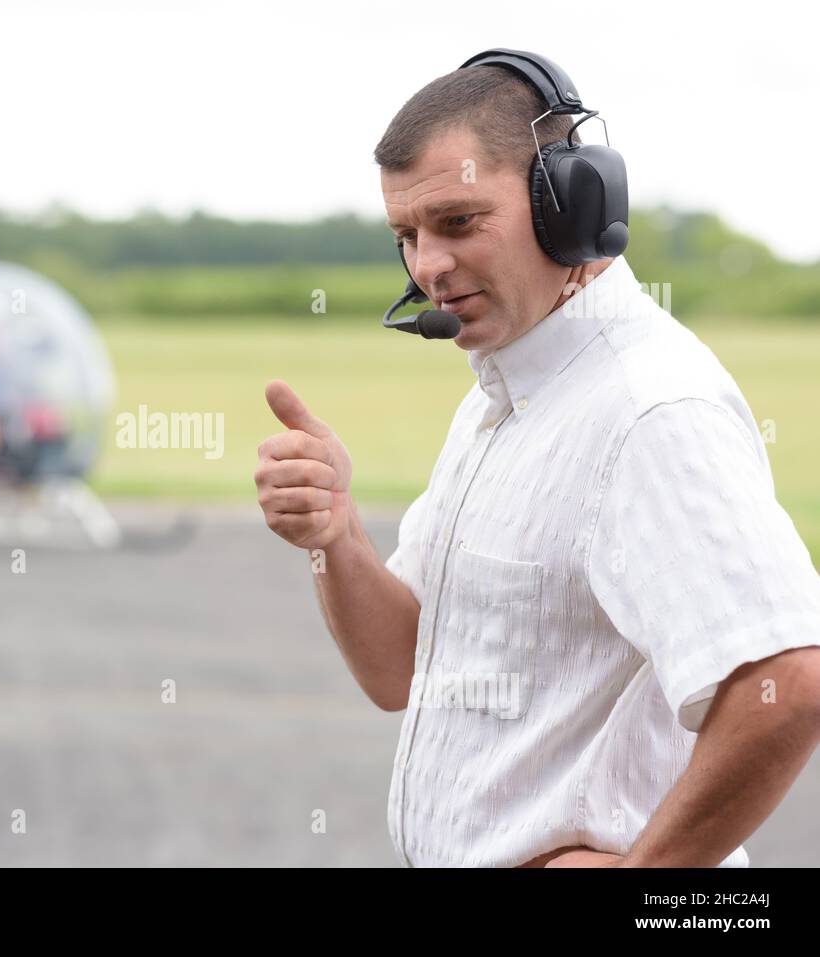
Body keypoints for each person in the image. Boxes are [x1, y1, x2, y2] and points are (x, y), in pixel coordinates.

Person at [254, 52, 820, 867]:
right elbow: (399, 671)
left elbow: (788, 682)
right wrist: (336, 535)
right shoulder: (502, 397)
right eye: (407, 235)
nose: (426, 268)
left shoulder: (650, 410)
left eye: (457, 221)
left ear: (572, 206)